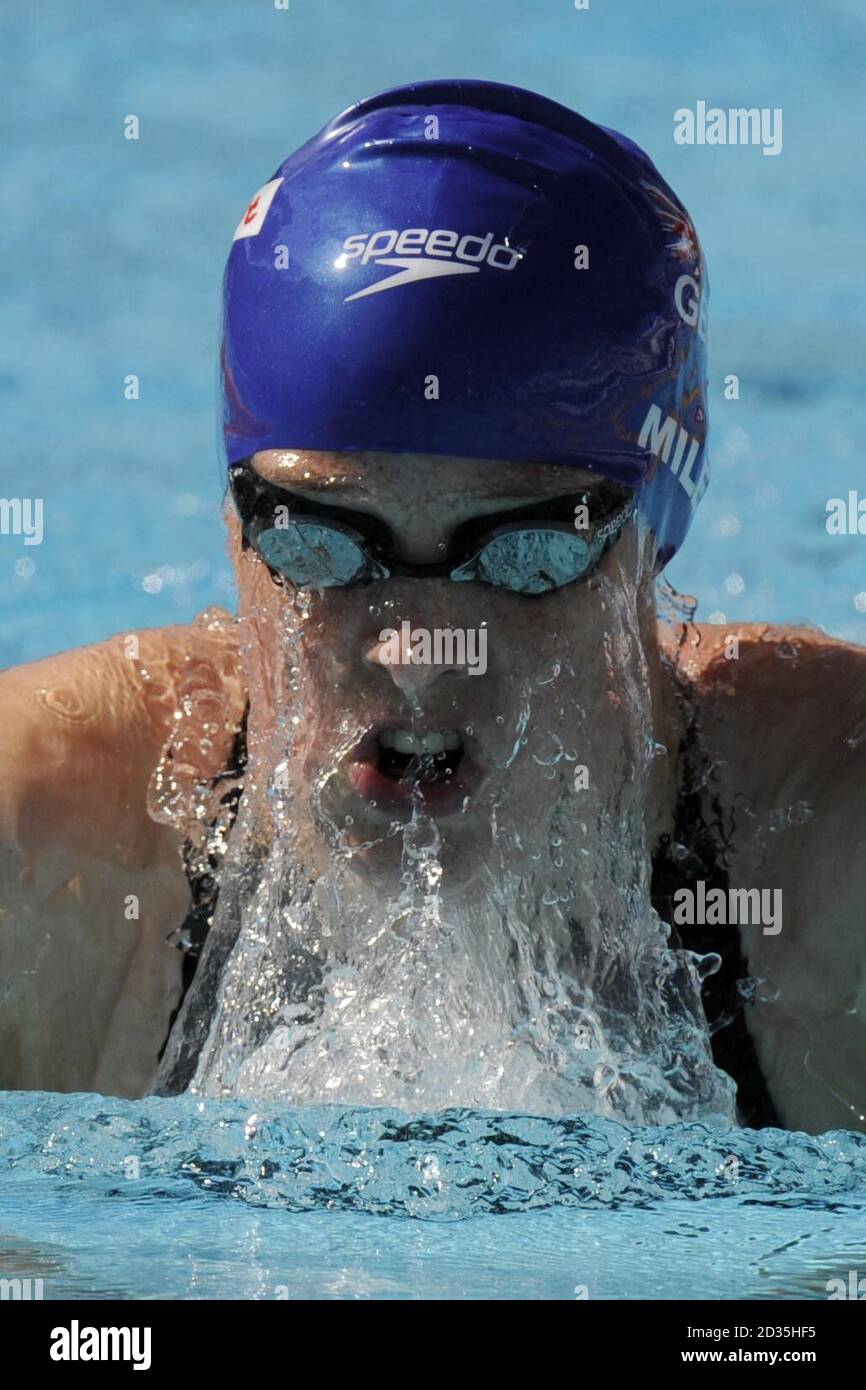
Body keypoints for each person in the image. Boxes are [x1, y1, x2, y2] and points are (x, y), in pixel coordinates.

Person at [1, 81, 863, 1133]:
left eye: (526, 554)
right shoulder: (44, 860)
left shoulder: (832, 868)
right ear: (235, 527)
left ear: (648, 540)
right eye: (319, 542)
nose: (415, 652)